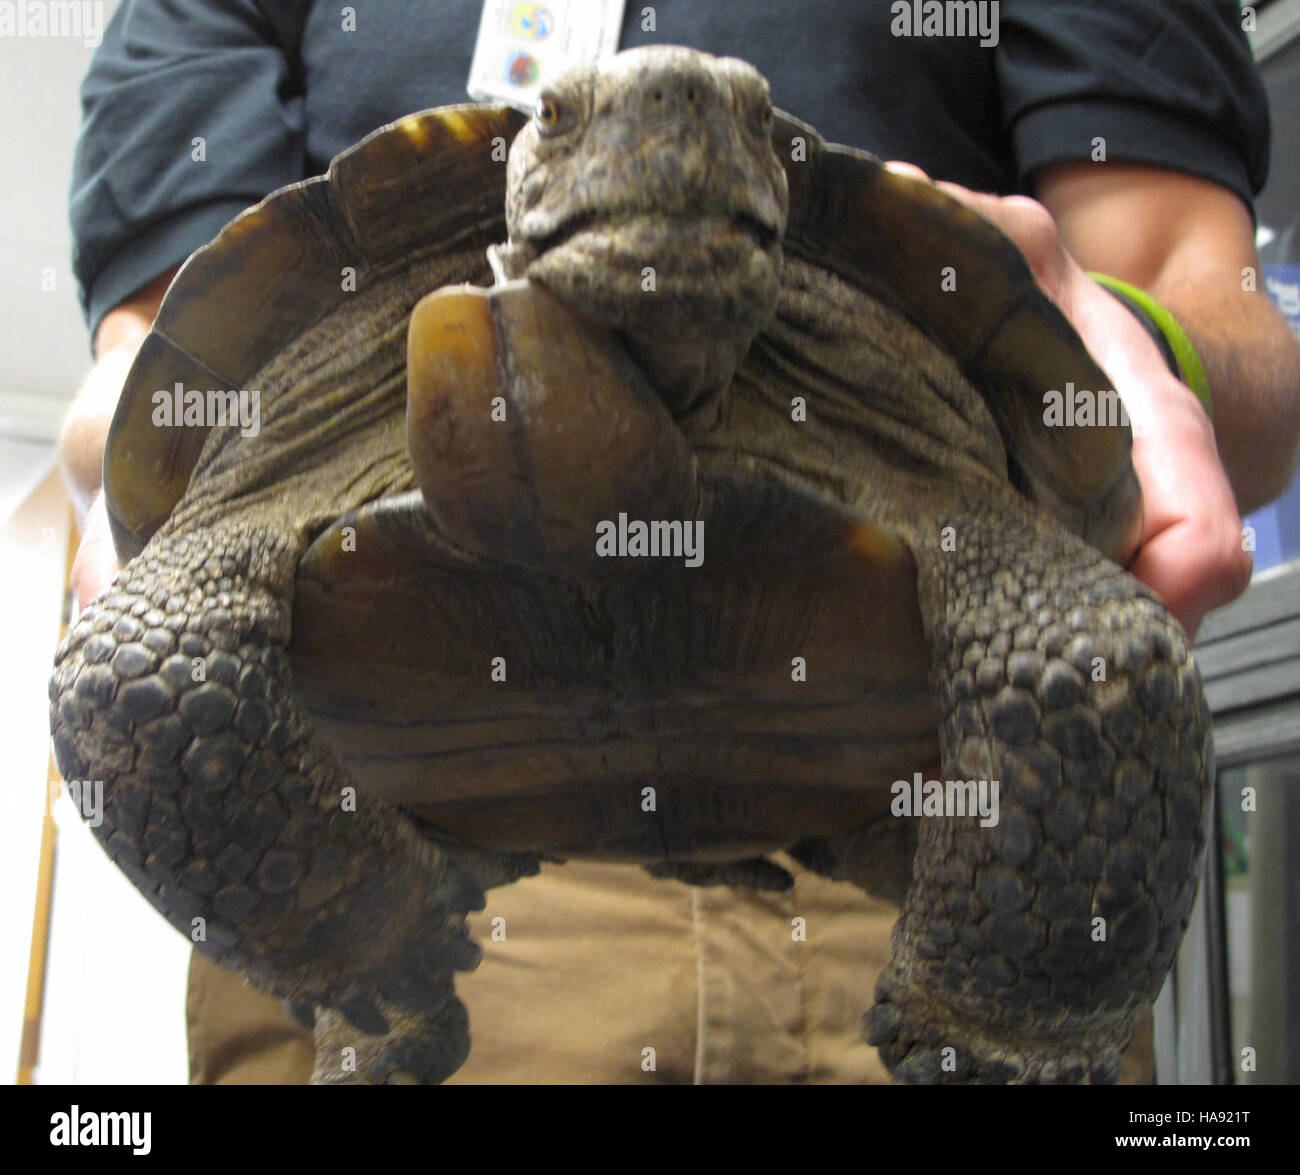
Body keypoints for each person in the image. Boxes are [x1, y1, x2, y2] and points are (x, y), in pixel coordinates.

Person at [59, 0, 1300, 1084]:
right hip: (379, 861)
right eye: (574, 129)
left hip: (949, 853)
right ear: (528, 178)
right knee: (135, 672)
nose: (668, 123)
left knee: (1101, 672)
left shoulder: (897, 389)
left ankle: (999, 1014)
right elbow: (157, 338)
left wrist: (1141, 353)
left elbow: (1205, 292)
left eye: (740, 132)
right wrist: (351, 928)